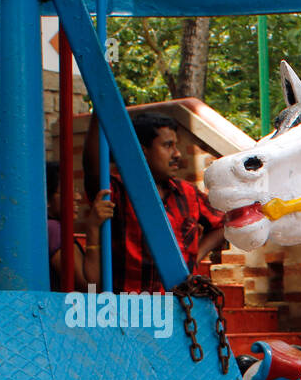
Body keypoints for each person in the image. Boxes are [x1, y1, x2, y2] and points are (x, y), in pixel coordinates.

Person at [82, 111, 226, 292]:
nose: (177, 154)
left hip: (179, 305)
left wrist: (196, 256)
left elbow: (223, 225)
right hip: (131, 307)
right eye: (168, 146)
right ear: (143, 152)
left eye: (176, 146)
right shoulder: (119, 190)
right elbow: (92, 168)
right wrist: (100, 106)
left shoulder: (187, 193)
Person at [46, 161, 113, 291]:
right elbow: (90, 286)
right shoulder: (54, 229)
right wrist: (93, 227)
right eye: (66, 191)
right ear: (47, 199)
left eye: (75, 190)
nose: (77, 196)